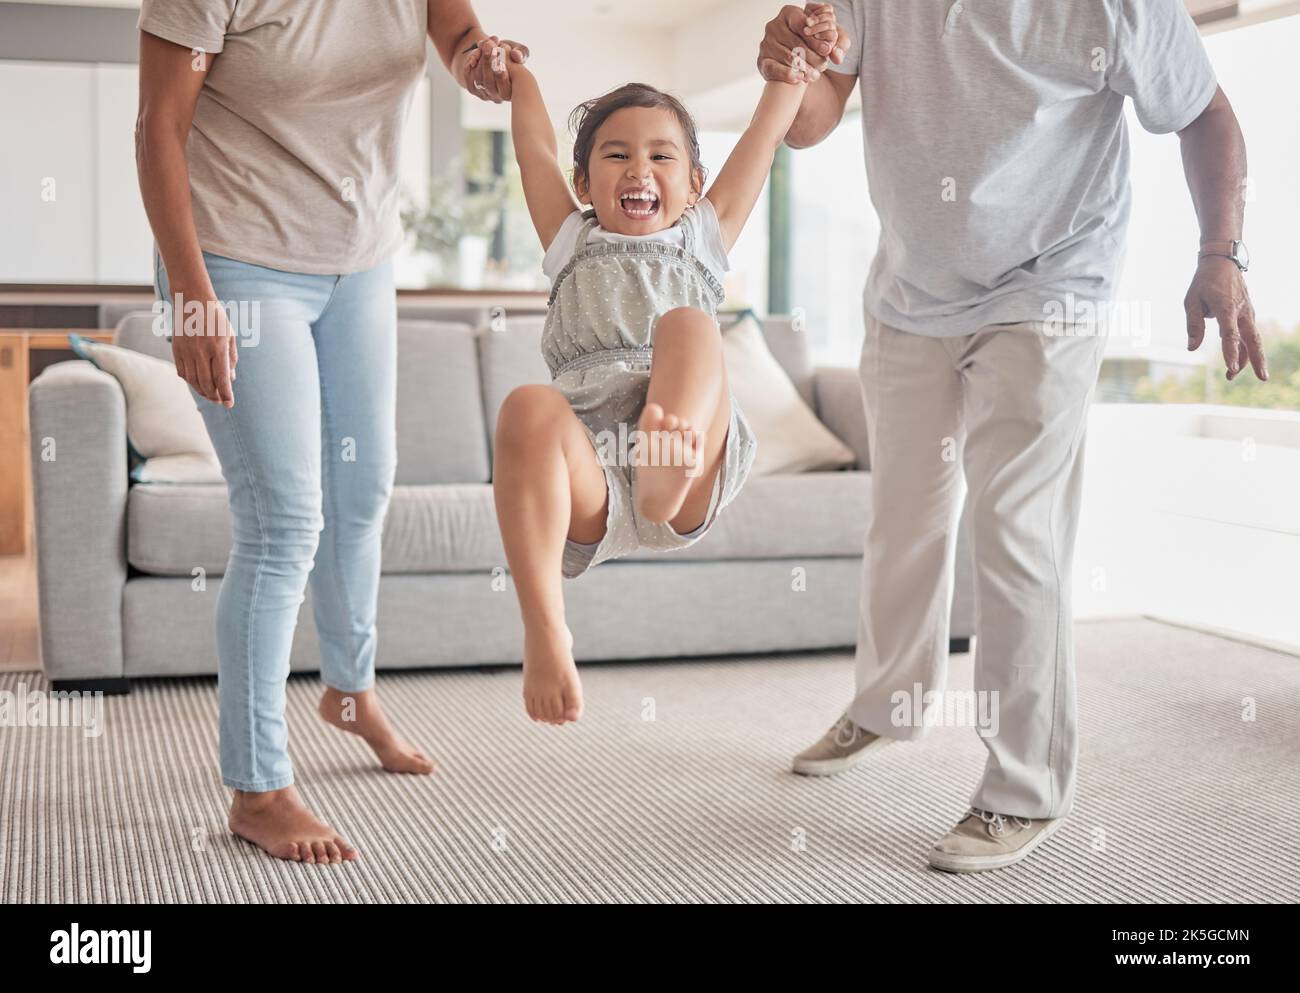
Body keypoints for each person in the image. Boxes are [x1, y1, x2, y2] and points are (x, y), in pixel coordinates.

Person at [760, 0, 1265, 872]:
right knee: (905, 516)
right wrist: (787, 66)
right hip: (912, 289)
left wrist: (1219, 253)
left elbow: (1205, 113)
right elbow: (812, 122)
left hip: (1053, 279)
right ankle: (886, 704)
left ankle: (1024, 789)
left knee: (1017, 531)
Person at [136, 0, 528, 865]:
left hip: (361, 258)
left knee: (363, 490)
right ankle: (258, 787)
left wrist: (480, 65)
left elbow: (457, 37)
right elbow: (160, 125)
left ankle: (349, 692)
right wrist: (194, 293)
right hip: (234, 257)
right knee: (283, 523)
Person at [489, 6, 842, 726]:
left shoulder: (703, 237)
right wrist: (518, 76)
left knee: (688, 323)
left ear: (691, 184)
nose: (639, 169)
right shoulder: (569, 241)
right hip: (597, 470)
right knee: (526, 404)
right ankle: (546, 627)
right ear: (584, 183)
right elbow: (530, 150)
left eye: (661, 156)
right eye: (615, 156)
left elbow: (765, 135)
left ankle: (665, 456)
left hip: (685, 458)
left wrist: (797, 68)